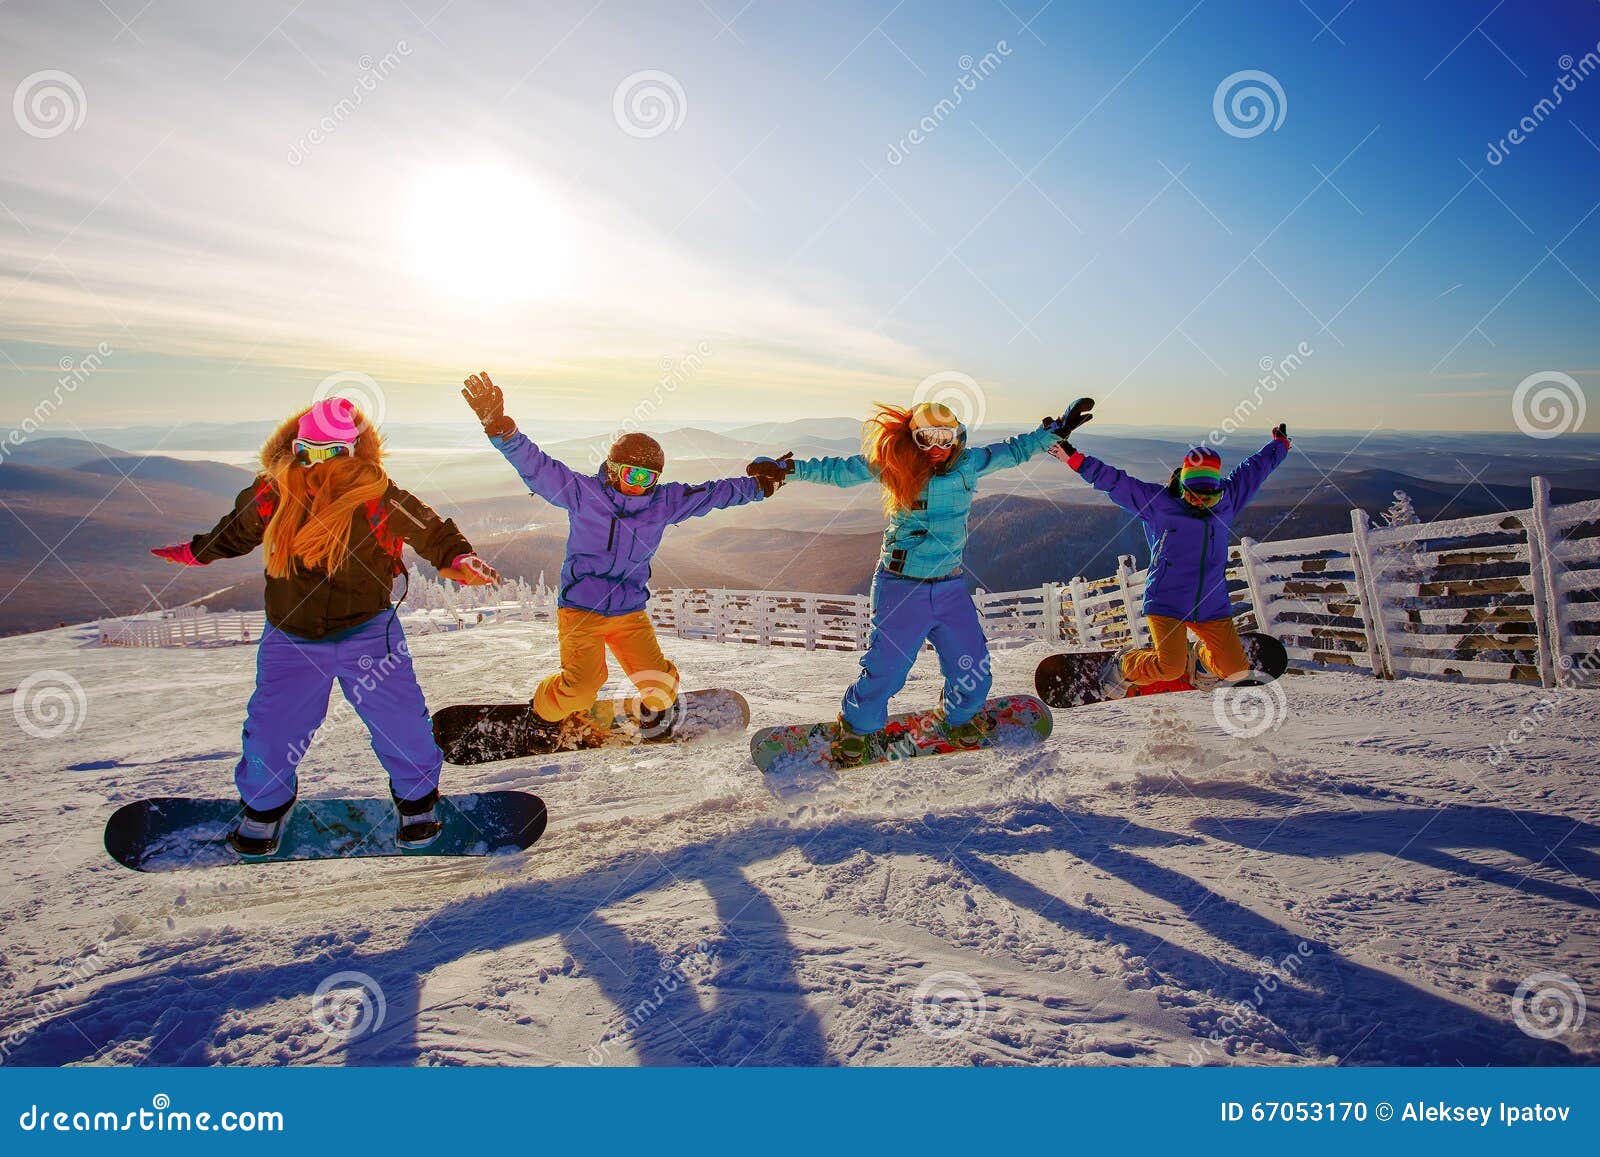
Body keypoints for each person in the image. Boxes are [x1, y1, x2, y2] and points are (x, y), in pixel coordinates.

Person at [151, 397, 499, 854]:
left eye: (330, 452)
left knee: (400, 722)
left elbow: (431, 532)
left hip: (368, 631)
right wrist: (196, 552)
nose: (316, 463)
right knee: (273, 728)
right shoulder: (272, 493)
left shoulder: (379, 496)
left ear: (352, 451)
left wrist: (457, 558)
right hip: (292, 635)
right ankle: (265, 807)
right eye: (306, 450)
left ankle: (417, 801)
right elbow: (234, 531)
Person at [747, 398, 1092, 765]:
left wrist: (1053, 432)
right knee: (888, 668)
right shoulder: (897, 466)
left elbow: (1015, 450)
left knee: (972, 665)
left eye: (945, 437)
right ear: (913, 439)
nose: (936, 448)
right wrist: (789, 469)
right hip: (900, 586)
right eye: (926, 438)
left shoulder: (969, 465)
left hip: (950, 586)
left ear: (957, 437)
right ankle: (857, 728)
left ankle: (958, 717)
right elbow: (840, 471)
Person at [461, 371, 777, 743]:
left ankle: (653, 715)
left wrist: (759, 485)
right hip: (581, 610)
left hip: (628, 611)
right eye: (630, 474)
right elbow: (538, 468)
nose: (637, 485)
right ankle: (540, 715)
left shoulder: (661, 504)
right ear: (612, 469)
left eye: (647, 478)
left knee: (662, 689)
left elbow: (713, 494)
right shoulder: (583, 494)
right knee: (581, 688)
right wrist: (500, 428)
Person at [1049, 420, 1292, 696]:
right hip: (1167, 601)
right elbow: (1114, 481)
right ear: (1182, 488)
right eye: (1193, 496)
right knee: (1170, 667)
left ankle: (1202, 660)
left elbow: (1256, 469)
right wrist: (1073, 458)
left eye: (1208, 498)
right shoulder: (1159, 505)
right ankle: (1122, 666)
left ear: (1218, 491)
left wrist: (1280, 445)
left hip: (1211, 604)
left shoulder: (1228, 499)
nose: (1201, 502)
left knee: (1235, 671)